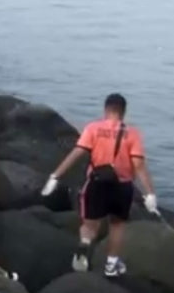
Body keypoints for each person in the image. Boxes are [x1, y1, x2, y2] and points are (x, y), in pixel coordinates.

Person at [43, 93, 157, 276]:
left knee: (89, 224)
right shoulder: (132, 134)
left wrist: (55, 176)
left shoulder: (93, 128)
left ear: (105, 110)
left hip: (96, 183)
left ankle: (85, 244)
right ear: (123, 112)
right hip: (122, 185)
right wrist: (150, 194)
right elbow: (139, 165)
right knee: (117, 224)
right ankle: (111, 265)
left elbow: (77, 153)